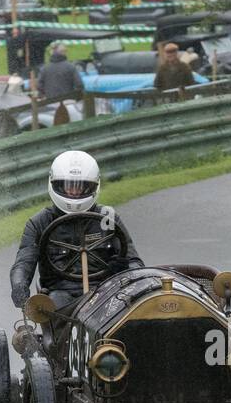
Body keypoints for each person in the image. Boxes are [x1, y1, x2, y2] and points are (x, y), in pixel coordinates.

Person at [10, 150, 143, 311]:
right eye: (68, 186)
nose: (74, 192)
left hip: (105, 291)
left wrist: (123, 269)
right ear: (55, 184)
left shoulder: (107, 217)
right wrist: (19, 285)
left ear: (93, 186)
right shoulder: (39, 222)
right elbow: (24, 263)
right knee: (57, 304)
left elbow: (134, 261)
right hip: (60, 294)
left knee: (126, 308)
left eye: (80, 187)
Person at [36, 43, 85, 123]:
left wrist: (44, 95)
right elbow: (79, 85)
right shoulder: (70, 67)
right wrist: (78, 98)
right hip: (69, 104)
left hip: (51, 105)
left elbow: (39, 87)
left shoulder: (44, 69)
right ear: (64, 53)